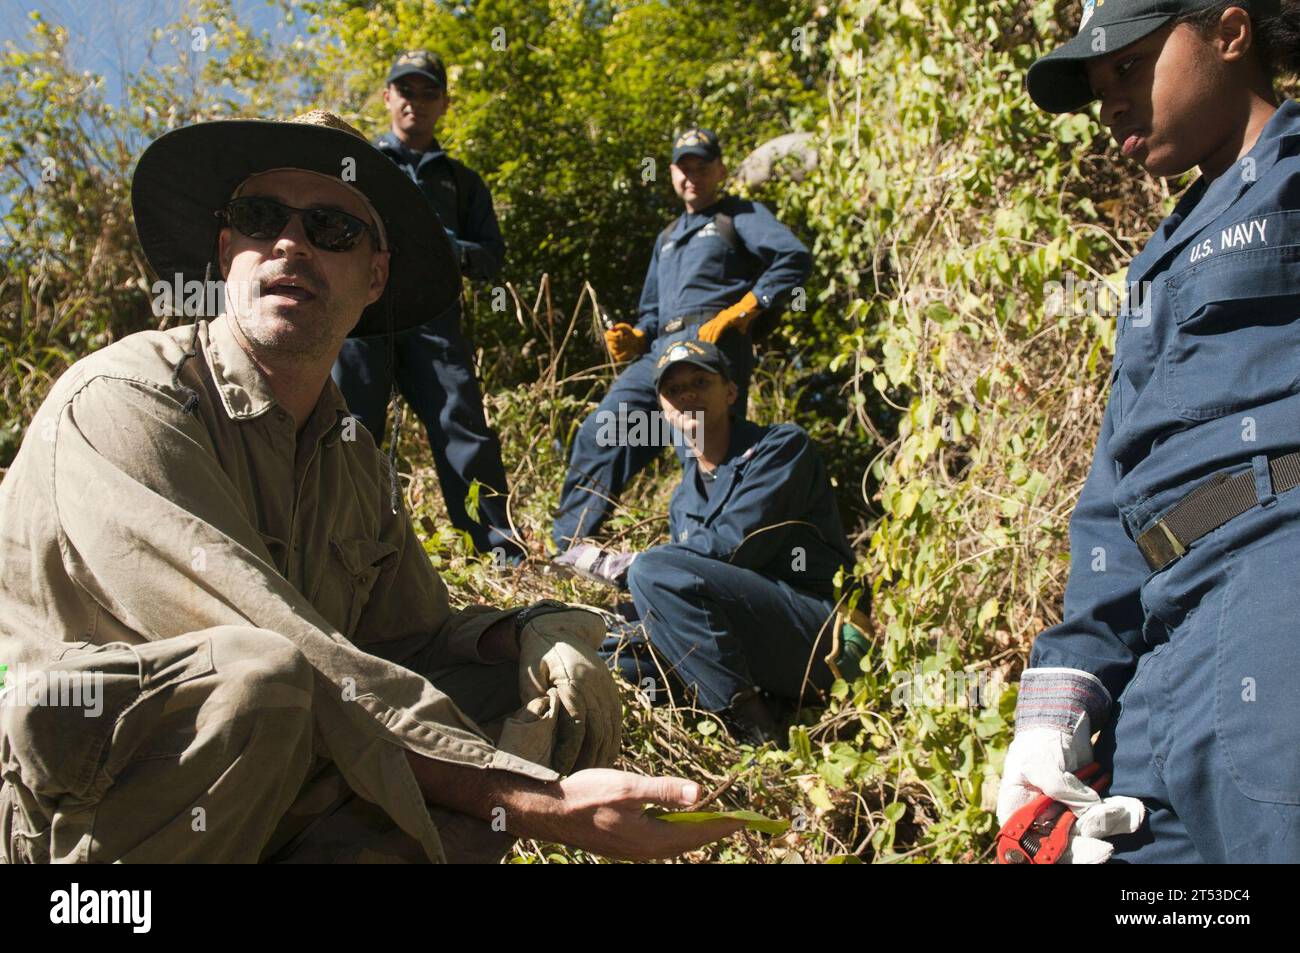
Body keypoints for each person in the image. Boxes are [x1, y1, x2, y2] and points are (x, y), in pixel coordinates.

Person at [0, 109, 745, 863]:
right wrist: (534, 800)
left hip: (265, 786)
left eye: (332, 228)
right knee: (264, 682)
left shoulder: (351, 455)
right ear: (226, 251)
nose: (289, 243)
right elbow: (282, 642)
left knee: (512, 685)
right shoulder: (123, 399)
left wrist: (527, 633)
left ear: (375, 275)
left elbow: (411, 636)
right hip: (68, 818)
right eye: (262, 219)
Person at [998, 0, 1300, 863]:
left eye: (1128, 69)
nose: (1111, 106)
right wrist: (1059, 710)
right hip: (1162, 654)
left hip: (1279, 584)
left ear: (1230, 34)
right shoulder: (1154, 261)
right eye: (1098, 90)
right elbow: (1109, 498)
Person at [560, 338, 861, 744]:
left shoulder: (780, 448)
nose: (686, 395)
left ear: (731, 392)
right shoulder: (684, 497)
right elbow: (681, 594)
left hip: (824, 637)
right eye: (672, 390)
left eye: (700, 382)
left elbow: (735, 547)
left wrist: (629, 567)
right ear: (662, 409)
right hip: (752, 646)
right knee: (613, 657)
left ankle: (757, 735)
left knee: (653, 571)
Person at [551, 127, 812, 551]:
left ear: (720, 170)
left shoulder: (738, 216)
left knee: (701, 454)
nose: (692, 175)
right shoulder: (667, 237)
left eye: (701, 167)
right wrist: (635, 337)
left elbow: (793, 257)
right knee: (605, 430)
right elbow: (651, 312)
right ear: (671, 173)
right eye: (683, 167)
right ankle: (570, 548)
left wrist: (747, 306)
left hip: (711, 345)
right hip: (660, 353)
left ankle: (699, 565)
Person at [332, 50, 523, 563]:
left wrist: (447, 247)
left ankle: (499, 552)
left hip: (435, 322)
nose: (416, 101)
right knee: (346, 425)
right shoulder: (358, 165)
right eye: (406, 90)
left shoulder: (461, 181)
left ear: (444, 104)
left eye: (428, 92)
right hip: (361, 319)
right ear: (389, 97)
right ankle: (340, 547)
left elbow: (491, 258)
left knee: (461, 422)